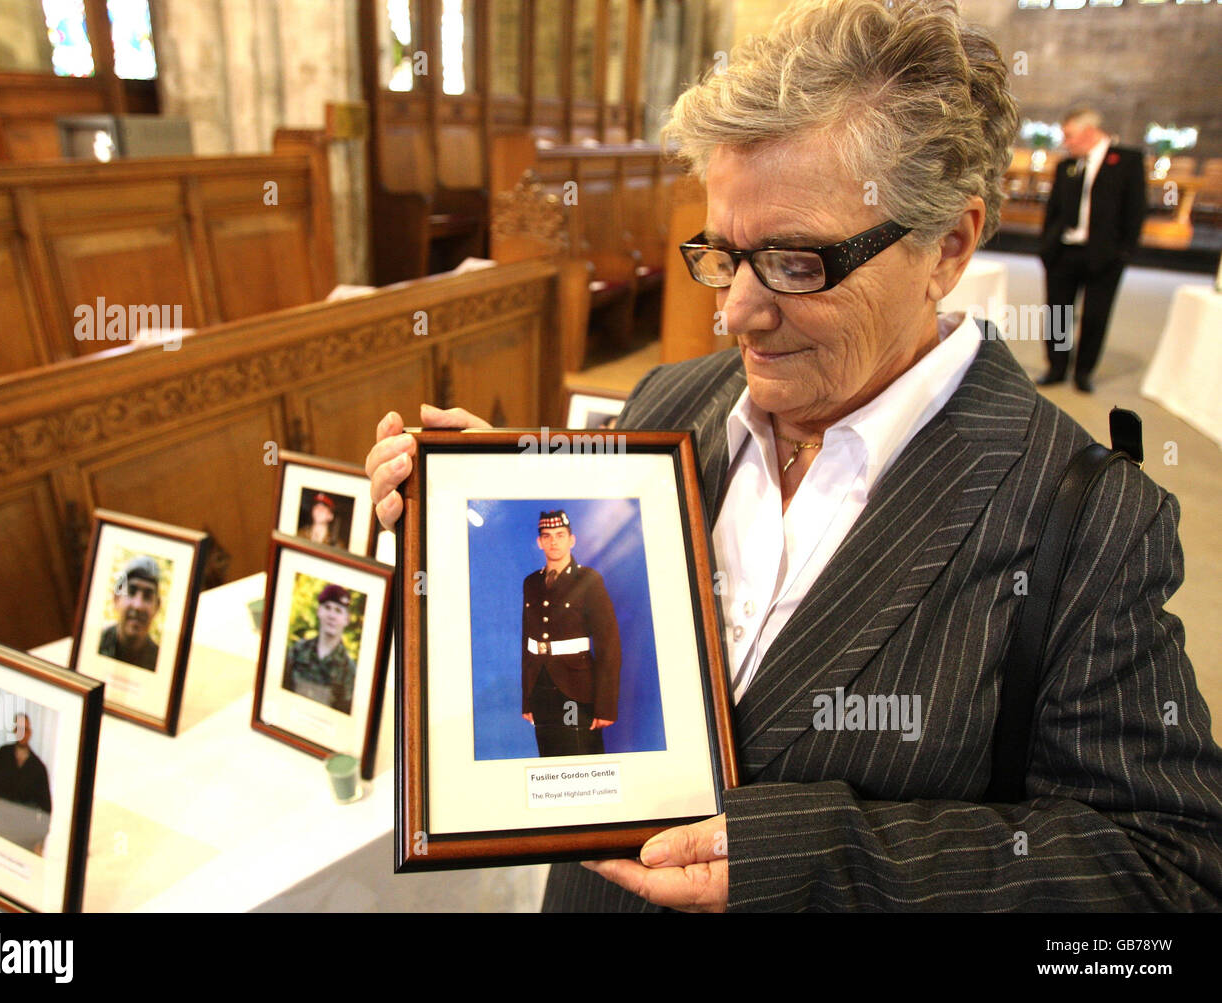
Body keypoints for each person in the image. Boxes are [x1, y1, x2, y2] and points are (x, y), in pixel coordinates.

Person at [366, 0, 1222, 912]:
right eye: (721, 255)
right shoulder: (670, 403)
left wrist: (814, 858)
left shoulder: (1084, 517)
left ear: (948, 247)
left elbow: (1168, 868)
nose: (734, 312)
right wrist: (488, 491)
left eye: (797, 263)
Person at [1038, 107, 1147, 393]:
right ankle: (1056, 367)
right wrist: (1046, 246)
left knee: (1096, 315)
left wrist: (1124, 252)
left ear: (1088, 132)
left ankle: (1083, 372)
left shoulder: (1126, 161)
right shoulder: (1067, 165)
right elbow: (1053, 209)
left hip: (1104, 254)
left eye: (1069, 135)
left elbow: (1136, 209)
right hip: (1064, 251)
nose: (1065, 142)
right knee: (1058, 312)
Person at [521, 510, 622, 757]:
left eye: (560, 535)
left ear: (571, 540)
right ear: (539, 542)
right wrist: (527, 699)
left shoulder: (588, 580)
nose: (553, 542)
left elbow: (609, 645)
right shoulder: (531, 583)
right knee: (548, 757)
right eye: (547, 536)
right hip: (541, 688)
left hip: (577, 688)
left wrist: (606, 707)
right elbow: (528, 643)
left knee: (581, 756)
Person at [0, 713, 52, 855]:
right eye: (19, 729)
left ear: (30, 733)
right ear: (14, 730)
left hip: (25, 834)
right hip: (1, 827)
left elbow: (46, 809)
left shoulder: (38, 768)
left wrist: (40, 840)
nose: (22, 733)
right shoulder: (3, 754)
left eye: (25, 729)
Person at [283, 583, 356, 714]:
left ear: (346, 619)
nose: (331, 615)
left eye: (338, 610)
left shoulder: (348, 670)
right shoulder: (297, 651)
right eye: (327, 607)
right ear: (319, 611)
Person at [98, 555, 162, 670]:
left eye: (147, 596)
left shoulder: (160, 664)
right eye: (131, 592)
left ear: (157, 607)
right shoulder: (94, 645)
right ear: (116, 599)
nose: (138, 605)